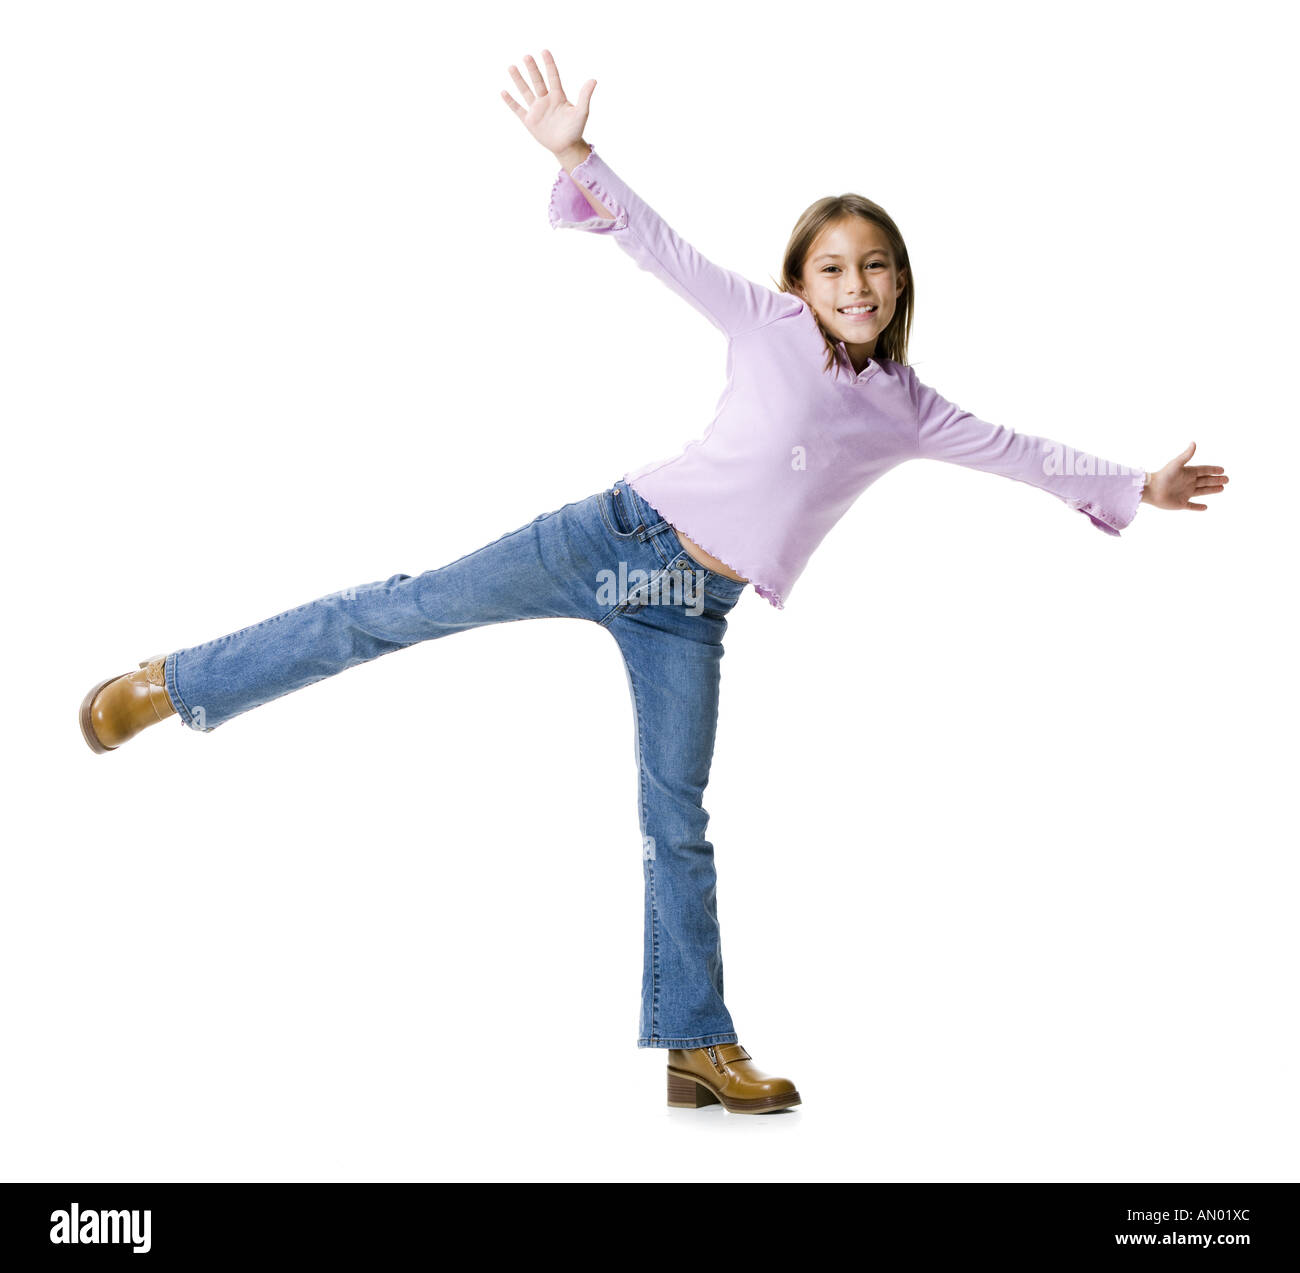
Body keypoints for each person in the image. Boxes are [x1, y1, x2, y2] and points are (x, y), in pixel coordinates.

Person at [78, 49, 1229, 1116]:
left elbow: (1024, 453)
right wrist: (577, 156)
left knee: (675, 819)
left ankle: (696, 1040)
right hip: (608, 538)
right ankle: (172, 682)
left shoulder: (911, 409)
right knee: (395, 609)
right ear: (802, 279)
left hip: (690, 611)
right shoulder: (767, 324)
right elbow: (660, 245)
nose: (855, 282)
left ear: (900, 281)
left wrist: (1140, 484)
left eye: (874, 265)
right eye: (833, 265)